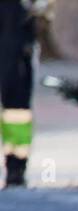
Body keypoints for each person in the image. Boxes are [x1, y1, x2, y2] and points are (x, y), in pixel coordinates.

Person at [0, 0, 41, 188]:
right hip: (14, 57)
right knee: (16, 113)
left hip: (16, 60)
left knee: (17, 114)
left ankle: (16, 168)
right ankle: (15, 168)